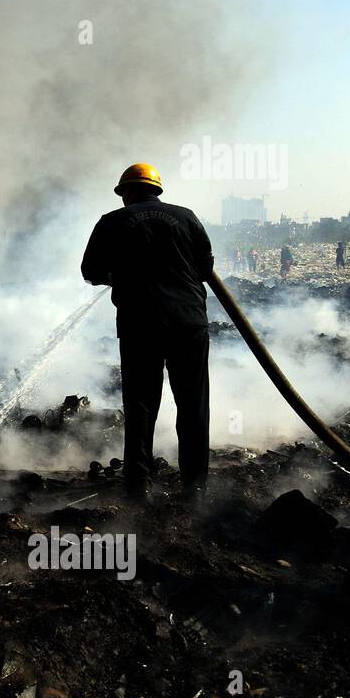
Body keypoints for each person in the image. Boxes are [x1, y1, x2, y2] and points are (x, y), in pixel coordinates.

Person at [81, 163, 212, 499]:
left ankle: (138, 487)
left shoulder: (112, 222)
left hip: (140, 323)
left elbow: (90, 271)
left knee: (140, 406)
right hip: (188, 322)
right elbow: (205, 267)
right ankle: (195, 488)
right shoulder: (187, 217)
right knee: (193, 404)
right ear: (156, 189)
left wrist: (118, 274)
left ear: (125, 193)